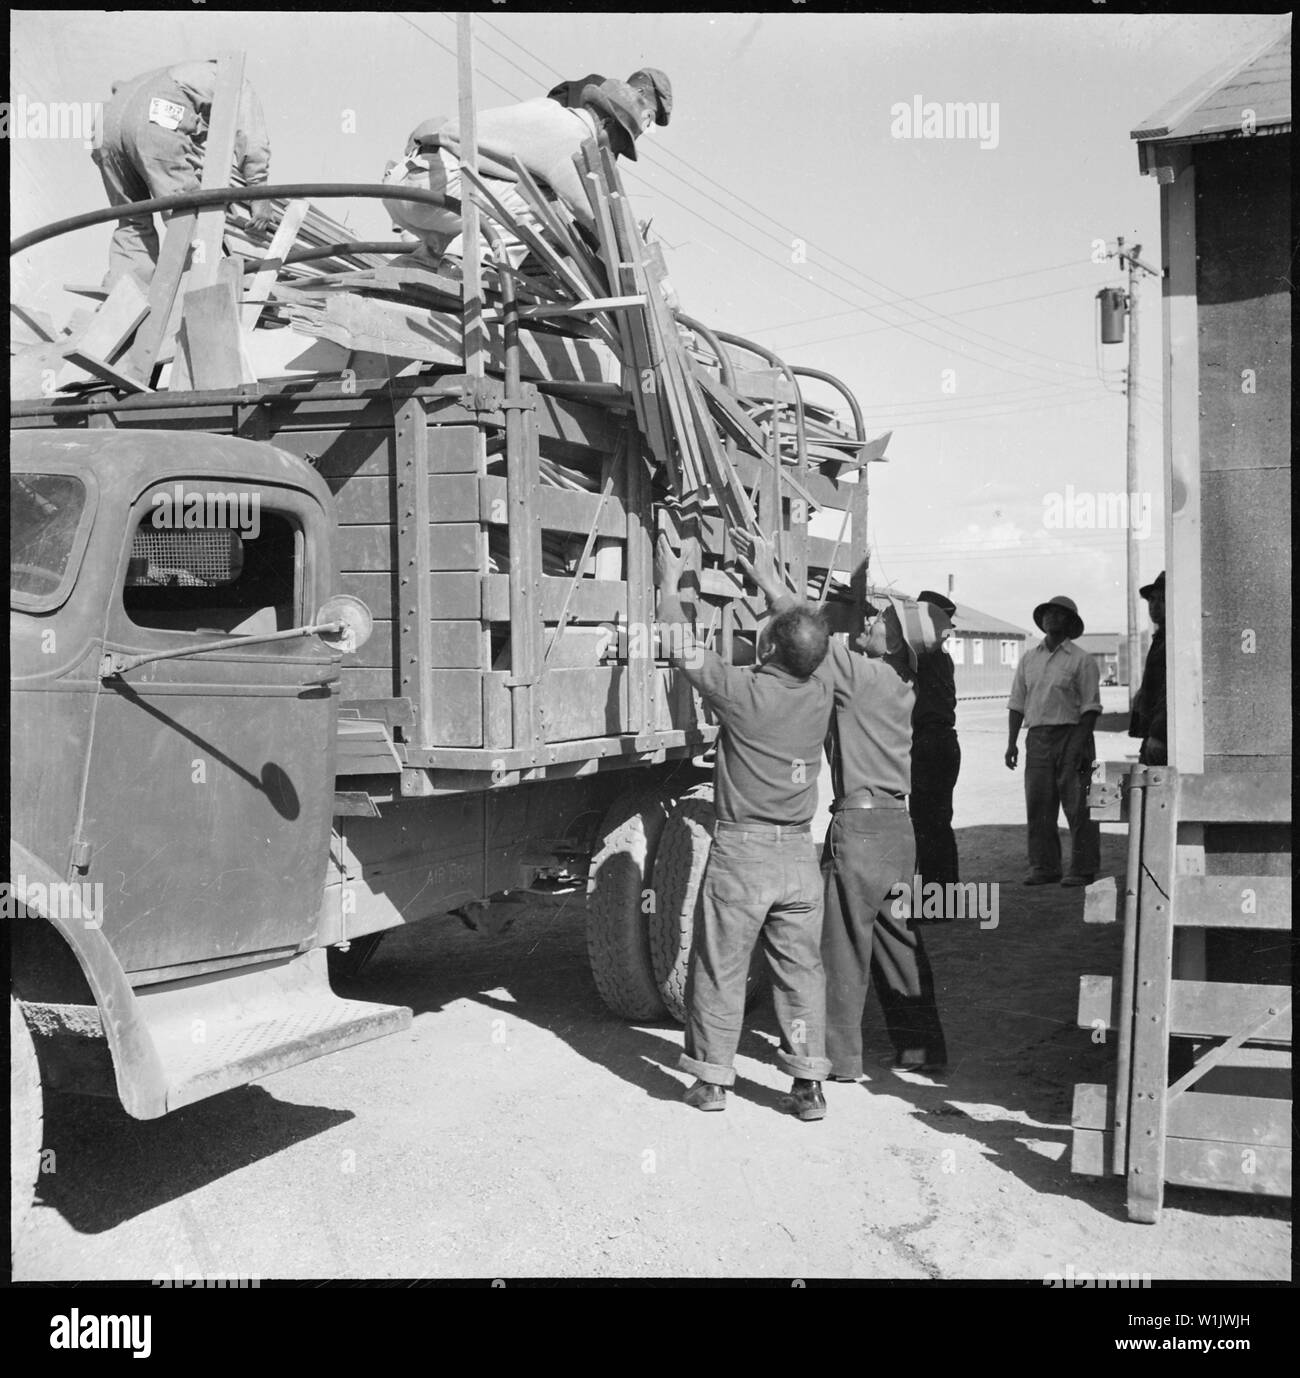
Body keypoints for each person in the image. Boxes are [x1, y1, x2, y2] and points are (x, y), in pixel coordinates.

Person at [735, 532, 950, 1080]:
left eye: (880, 622)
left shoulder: (864, 676)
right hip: (898, 830)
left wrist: (768, 580)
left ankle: (841, 1061)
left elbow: (805, 633)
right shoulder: (902, 681)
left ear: (897, 641)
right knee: (898, 938)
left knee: (842, 948)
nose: (870, 623)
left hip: (859, 828)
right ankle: (921, 1050)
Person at [656, 534, 834, 1121]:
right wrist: (771, 583)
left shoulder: (746, 693)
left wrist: (672, 580)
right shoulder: (822, 688)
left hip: (745, 854)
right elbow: (806, 632)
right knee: (800, 973)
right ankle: (808, 1084)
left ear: (773, 650)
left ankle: (711, 1082)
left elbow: (680, 646)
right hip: (798, 858)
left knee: (721, 966)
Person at [382, 79, 646, 275]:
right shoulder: (571, 134)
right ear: (606, 124)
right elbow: (590, 212)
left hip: (410, 184)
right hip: (433, 187)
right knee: (540, 203)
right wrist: (631, 258)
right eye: (618, 145)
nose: (612, 153)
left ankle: (416, 267)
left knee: (489, 202)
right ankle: (465, 267)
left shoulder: (548, 110)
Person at [92, 60, 273, 289]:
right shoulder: (233, 79)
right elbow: (251, 137)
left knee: (131, 218)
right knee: (189, 217)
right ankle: (198, 290)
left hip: (105, 121)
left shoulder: (176, 73)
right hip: (157, 114)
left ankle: (122, 297)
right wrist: (258, 190)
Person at [1005, 594, 1102, 886]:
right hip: (1037, 739)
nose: (1051, 618)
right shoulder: (1028, 659)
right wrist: (1011, 743)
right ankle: (1044, 867)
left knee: (1079, 806)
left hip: (1074, 735)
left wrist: (1077, 745)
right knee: (1039, 805)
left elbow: (1090, 708)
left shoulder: (1082, 660)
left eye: (1059, 614)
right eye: (1047, 613)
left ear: (1070, 622)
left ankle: (1083, 869)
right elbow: (1017, 703)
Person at [910, 589, 961, 909]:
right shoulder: (939, 657)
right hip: (941, 743)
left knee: (929, 824)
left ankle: (938, 903)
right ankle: (942, 899)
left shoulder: (925, 656)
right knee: (936, 822)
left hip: (930, 743)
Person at [547, 67, 673, 130]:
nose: (645, 125)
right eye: (648, 115)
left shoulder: (620, 131)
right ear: (640, 92)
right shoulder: (595, 87)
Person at [1129, 571, 1167, 765]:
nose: (1154, 605)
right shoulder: (1160, 638)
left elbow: (1172, 691)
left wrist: (1158, 734)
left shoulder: (1174, 639)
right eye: (1151, 599)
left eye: (1162, 599)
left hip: (1163, 738)